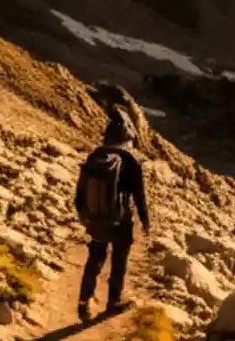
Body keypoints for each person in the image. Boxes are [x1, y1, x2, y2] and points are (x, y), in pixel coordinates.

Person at [74, 105, 150, 321]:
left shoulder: (96, 155)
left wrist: (83, 214)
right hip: (121, 219)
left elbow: (81, 188)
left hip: (97, 217)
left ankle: (84, 302)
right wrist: (145, 220)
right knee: (119, 260)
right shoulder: (130, 159)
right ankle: (113, 301)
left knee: (95, 257)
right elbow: (139, 194)